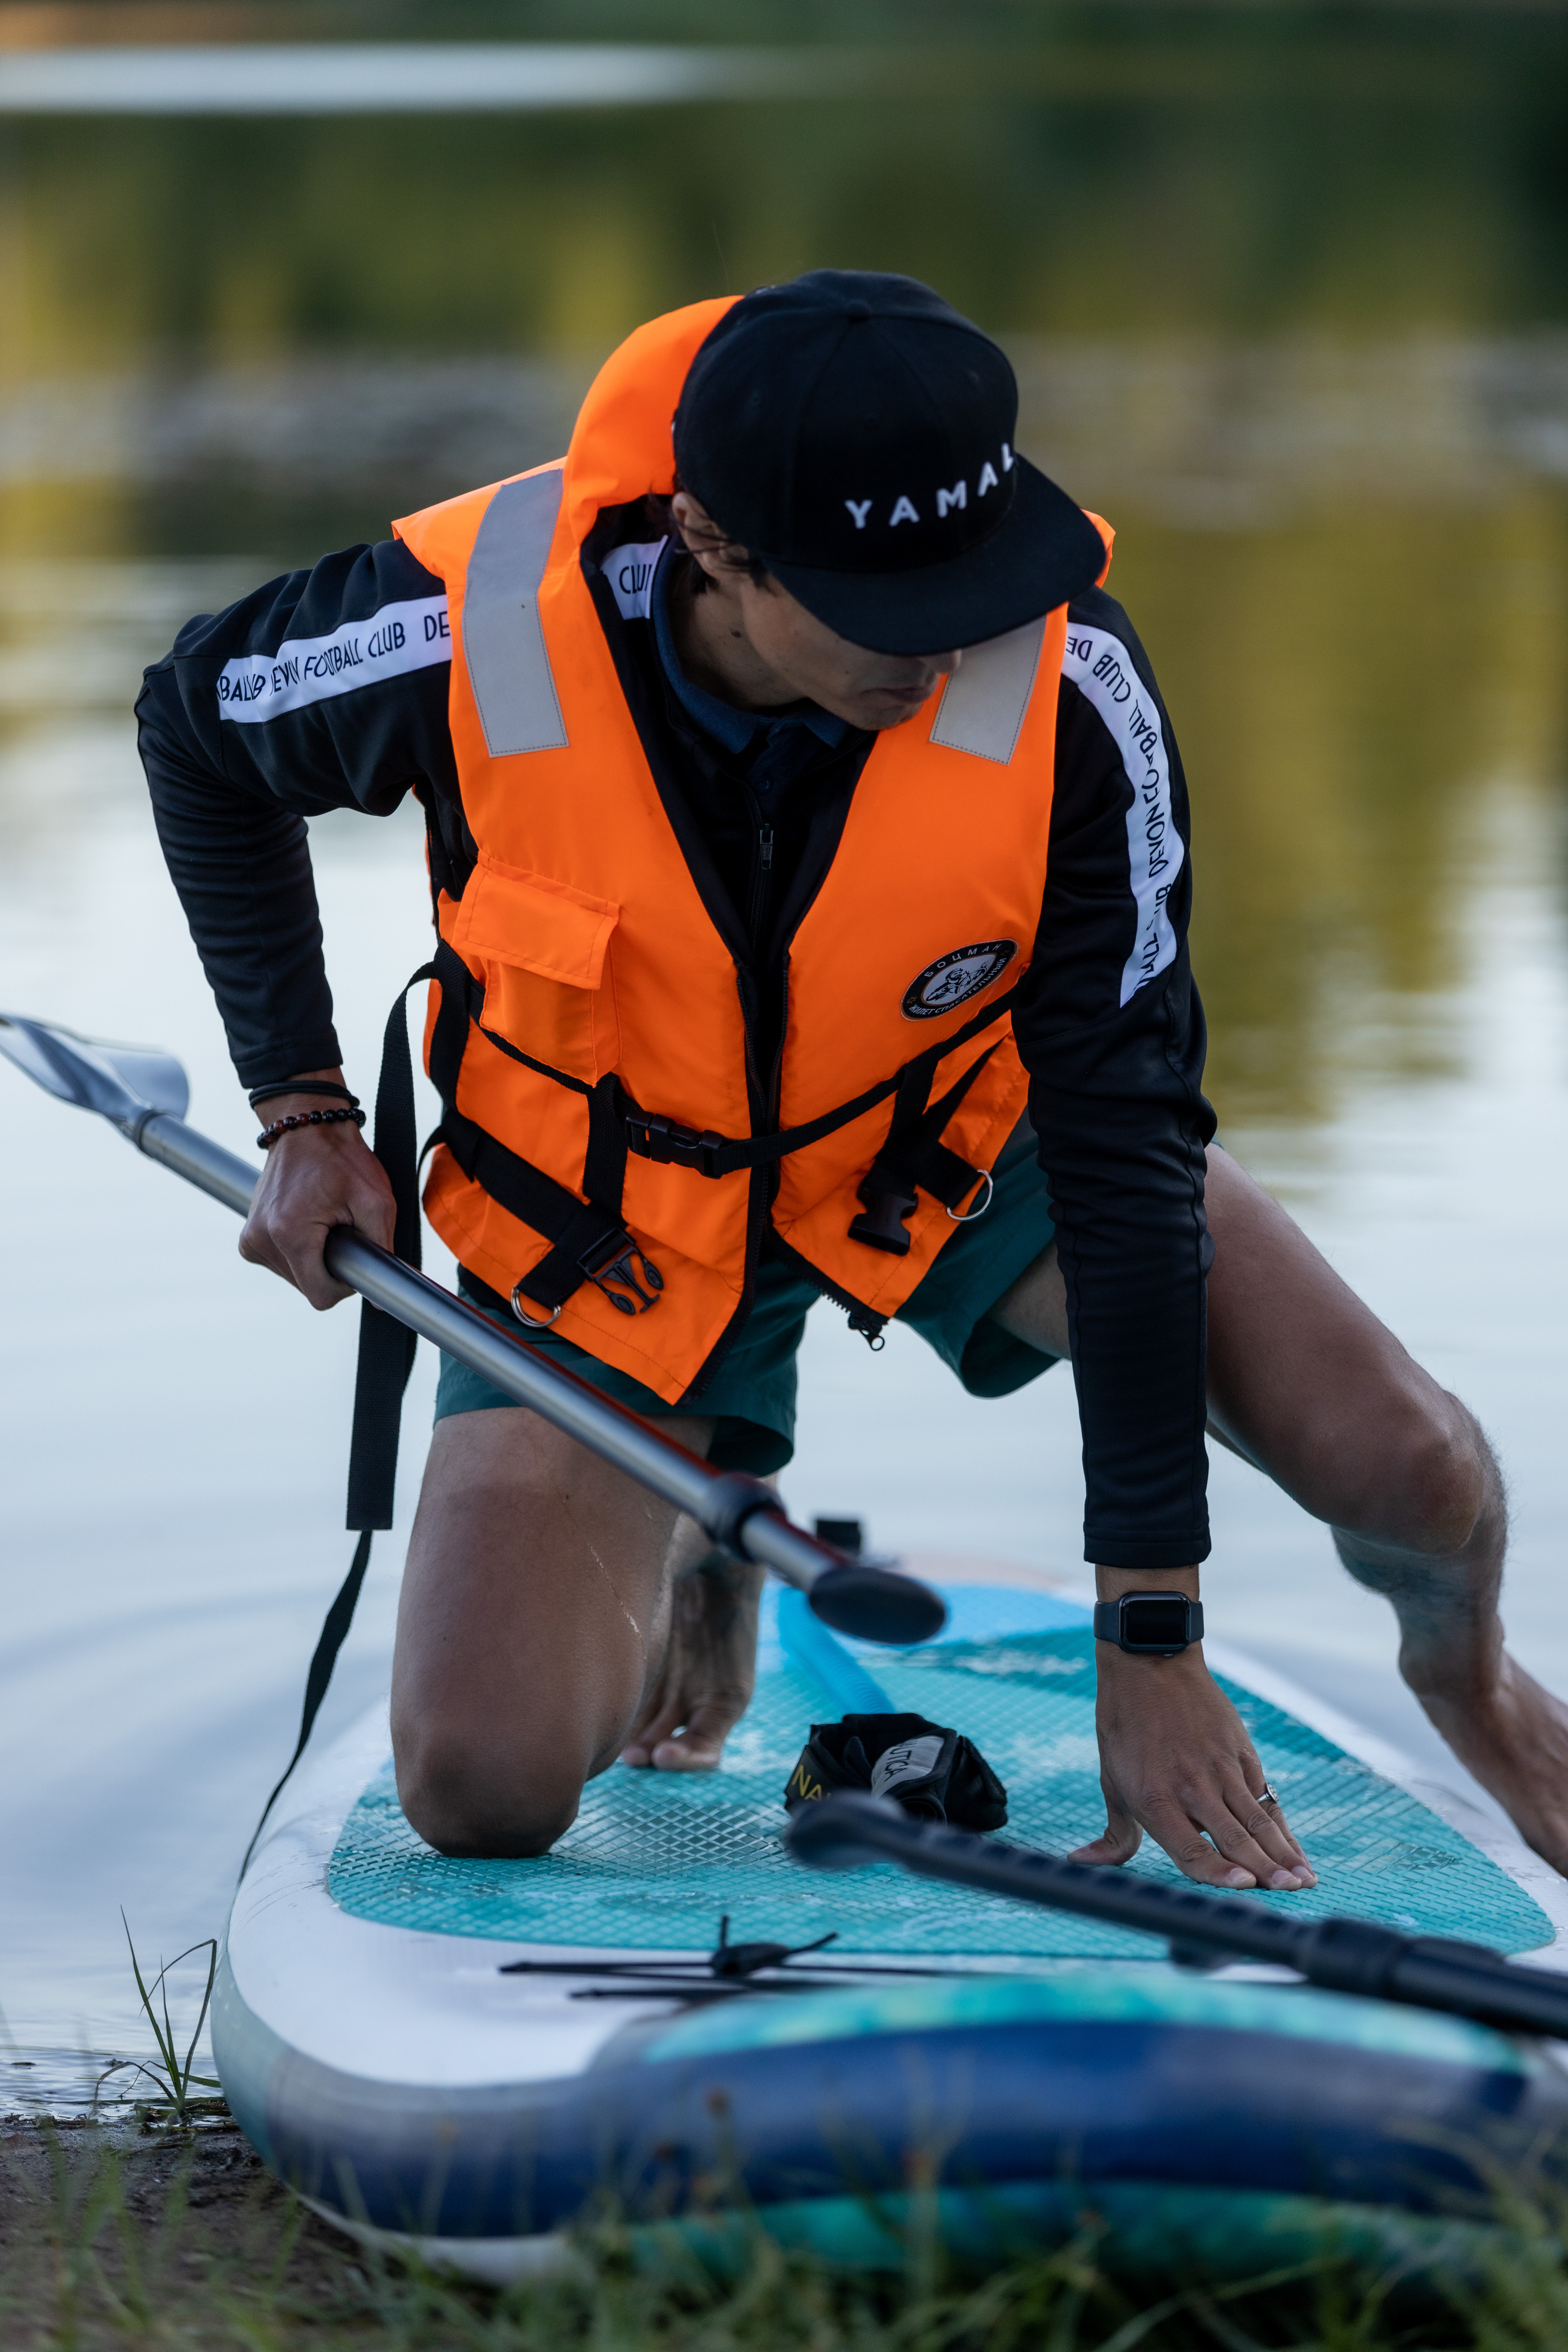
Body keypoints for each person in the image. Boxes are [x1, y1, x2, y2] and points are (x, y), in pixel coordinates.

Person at [137, 270, 1568, 1890]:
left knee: (1408, 1469)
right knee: (482, 1786)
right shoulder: (462, 627)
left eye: (979, 580)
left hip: (946, 1148)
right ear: (711, 546)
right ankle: (708, 1513)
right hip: (610, 1217)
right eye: (892, 607)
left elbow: (1126, 1142)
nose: (953, 644)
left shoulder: (1073, 688)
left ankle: (1473, 1686)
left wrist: (1151, 1631)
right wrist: (304, 1111)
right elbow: (195, 728)